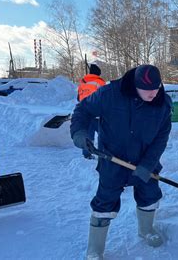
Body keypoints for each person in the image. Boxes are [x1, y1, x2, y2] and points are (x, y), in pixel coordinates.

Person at [70, 64, 172, 259]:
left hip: (145, 162)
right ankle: (95, 250)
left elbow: (161, 138)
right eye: (147, 90)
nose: (153, 94)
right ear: (135, 85)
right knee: (104, 201)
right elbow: (83, 110)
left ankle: (146, 229)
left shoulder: (163, 104)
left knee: (150, 195)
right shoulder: (109, 94)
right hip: (112, 159)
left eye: (156, 88)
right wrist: (80, 133)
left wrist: (148, 164)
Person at [78, 63, 106, 159]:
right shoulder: (100, 82)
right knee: (103, 134)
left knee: (88, 134)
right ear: (98, 73)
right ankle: (104, 154)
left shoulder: (83, 82)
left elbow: (79, 98)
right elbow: (105, 98)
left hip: (85, 113)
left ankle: (87, 154)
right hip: (97, 113)